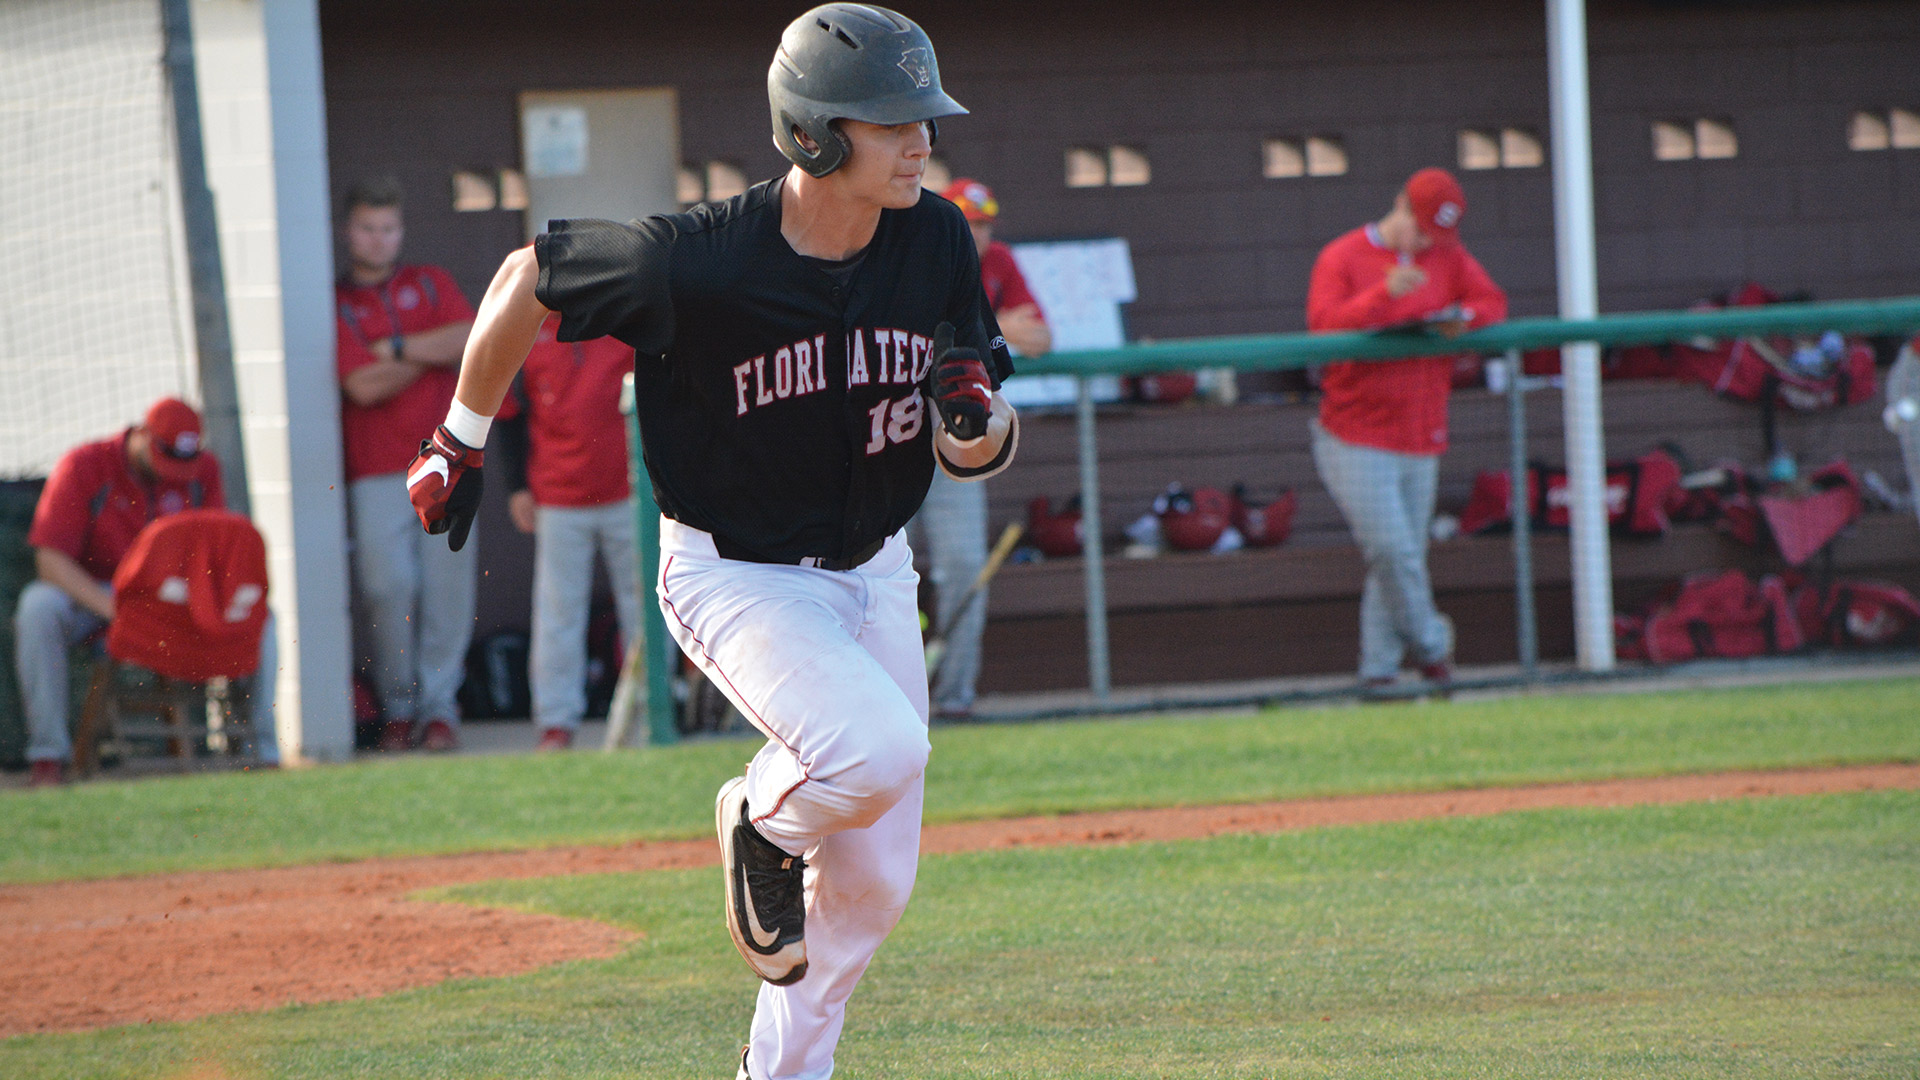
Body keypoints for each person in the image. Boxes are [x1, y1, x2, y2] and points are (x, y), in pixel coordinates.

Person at [402, 7, 1017, 1076]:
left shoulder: (936, 238)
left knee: (872, 889)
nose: (922, 137)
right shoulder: (695, 262)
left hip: (873, 566)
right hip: (738, 573)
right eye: (893, 119)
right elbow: (526, 280)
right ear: (816, 135)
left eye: (925, 114)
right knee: (875, 749)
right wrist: (457, 442)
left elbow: (975, 453)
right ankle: (760, 823)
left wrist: (977, 419)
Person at [1305, 167, 1508, 691]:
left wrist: (1462, 318)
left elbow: (1493, 302)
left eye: (1434, 235)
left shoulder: (1447, 256)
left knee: (1398, 560)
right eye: (1419, 230)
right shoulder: (1342, 255)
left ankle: (1379, 673)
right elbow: (1321, 331)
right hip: (1355, 431)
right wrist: (1382, 296)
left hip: (1421, 432)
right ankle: (1433, 647)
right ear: (1399, 205)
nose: (1424, 243)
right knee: (1392, 550)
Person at [15, 398, 278, 786]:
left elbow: (219, 558)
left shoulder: (202, 472)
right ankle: (48, 756)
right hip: (101, 593)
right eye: (165, 456)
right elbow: (50, 562)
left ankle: (264, 753)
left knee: (265, 618)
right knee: (37, 606)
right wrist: (116, 610)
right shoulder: (86, 465)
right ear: (140, 435)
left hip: (172, 597)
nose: (174, 473)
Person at [335, 176, 476, 752]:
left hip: (446, 458)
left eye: (388, 228)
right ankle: (399, 706)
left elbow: (469, 340)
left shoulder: (430, 282)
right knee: (387, 588)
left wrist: (395, 350)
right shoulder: (338, 301)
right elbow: (362, 386)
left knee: (447, 589)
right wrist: (427, 352)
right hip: (375, 468)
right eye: (367, 228)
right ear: (350, 231)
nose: (378, 240)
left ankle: (440, 710)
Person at [910, 177, 1049, 721]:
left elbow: (1040, 336)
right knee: (879, 568)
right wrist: (995, 329)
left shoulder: (1001, 263)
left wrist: (990, 330)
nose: (978, 233)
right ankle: (890, 700)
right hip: (897, 425)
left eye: (985, 223)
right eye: (968, 222)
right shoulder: (919, 249)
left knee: (965, 565)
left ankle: (955, 696)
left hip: (960, 430)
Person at [494, 313, 641, 751]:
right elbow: (509, 412)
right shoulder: (528, 324)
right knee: (558, 613)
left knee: (646, 608)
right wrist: (517, 486)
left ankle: (650, 713)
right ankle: (556, 722)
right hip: (557, 494)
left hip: (629, 489)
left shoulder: (625, 314)